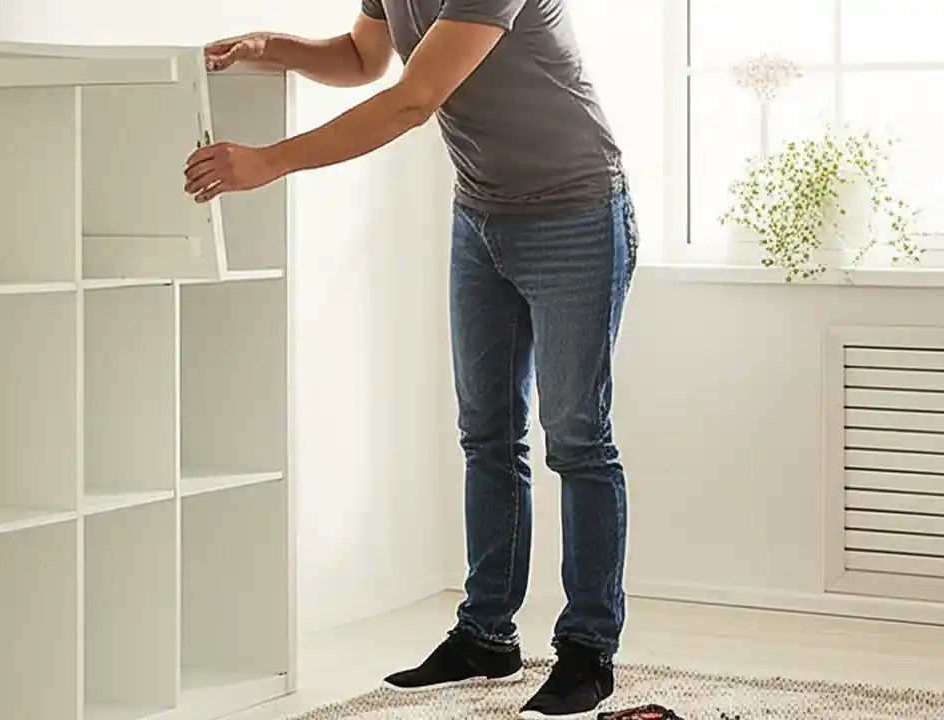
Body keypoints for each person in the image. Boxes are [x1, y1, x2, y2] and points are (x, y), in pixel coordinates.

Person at [189, 1, 636, 716]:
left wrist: (270, 161)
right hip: (483, 215)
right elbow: (366, 58)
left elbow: (412, 98)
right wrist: (271, 45)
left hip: (576, 213)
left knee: (577, 437)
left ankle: (588, 648)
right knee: (486, 433)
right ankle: (487, 635)